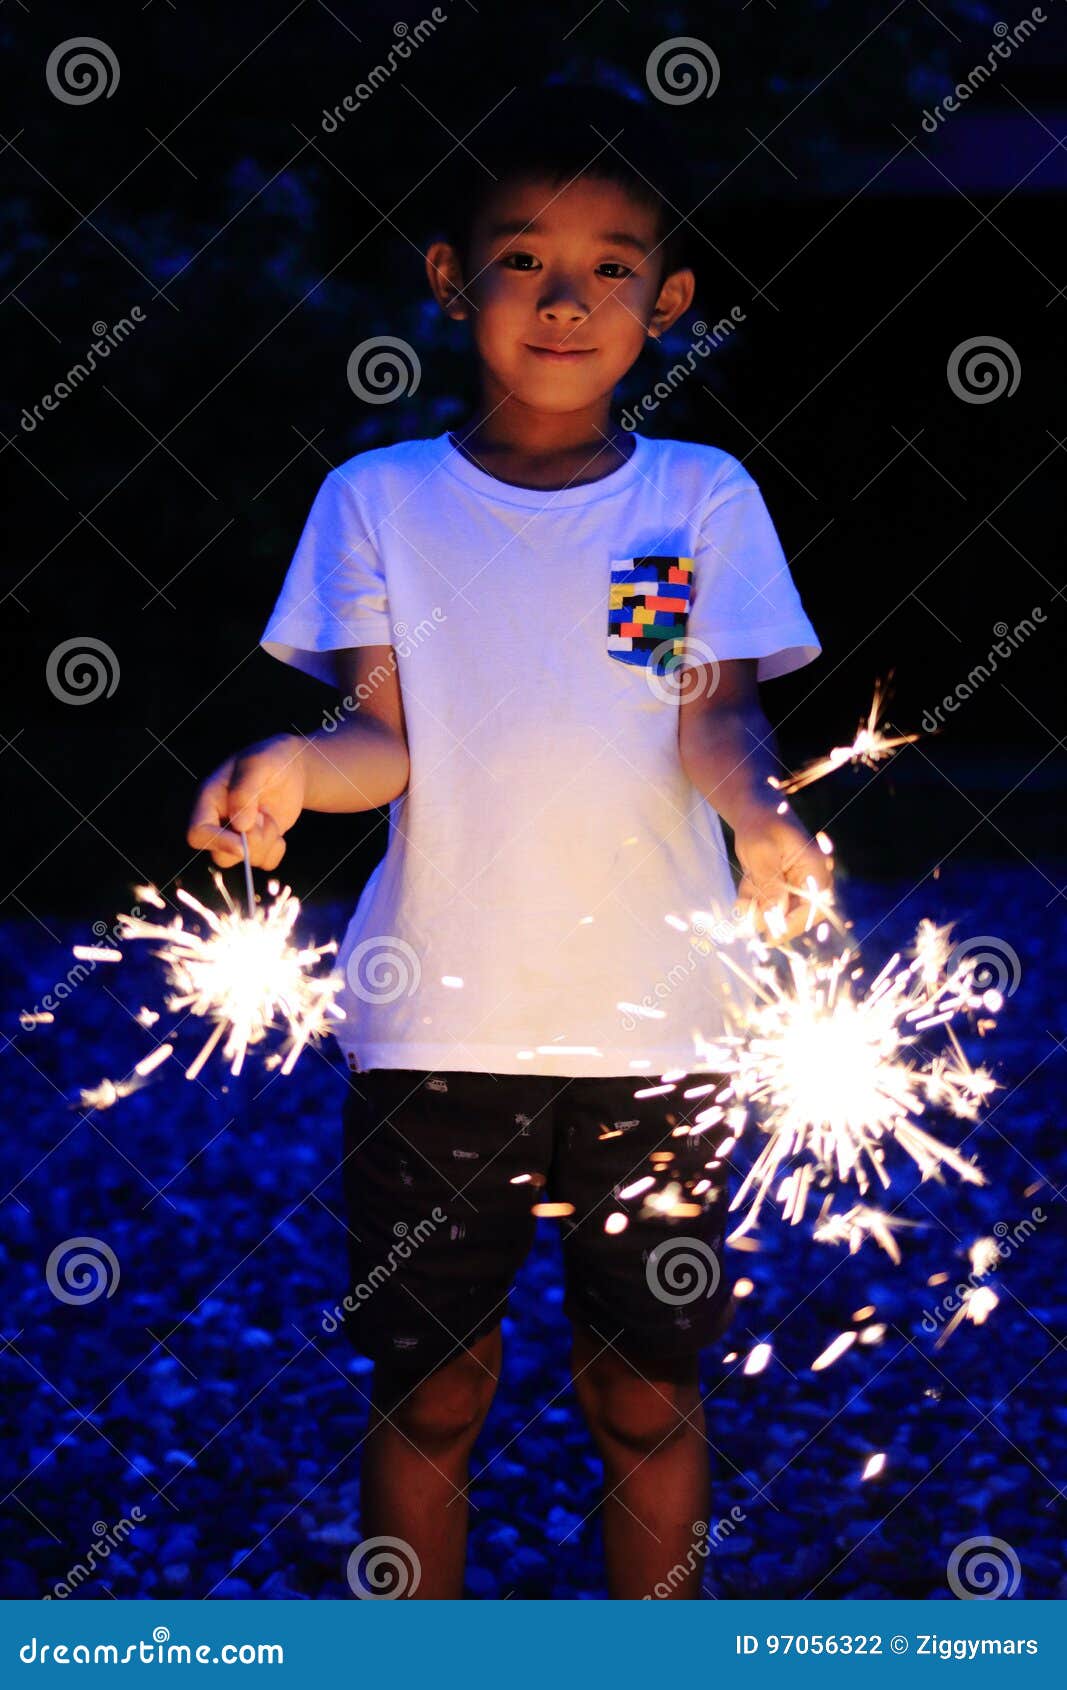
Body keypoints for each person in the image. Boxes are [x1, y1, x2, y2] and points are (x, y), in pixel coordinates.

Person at [186, 84, 832, 1600]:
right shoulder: (382, 502)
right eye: (524, 258)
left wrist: (764, 816)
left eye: (612, 266)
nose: (565, 297)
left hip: (662, 1035)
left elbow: (705, 720)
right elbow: (383, 741)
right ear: (449, 278)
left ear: (669, 302)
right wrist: (287, 760)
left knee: (646, 1391)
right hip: (435, 1027)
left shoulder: (688, 503)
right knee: (431, 1389)